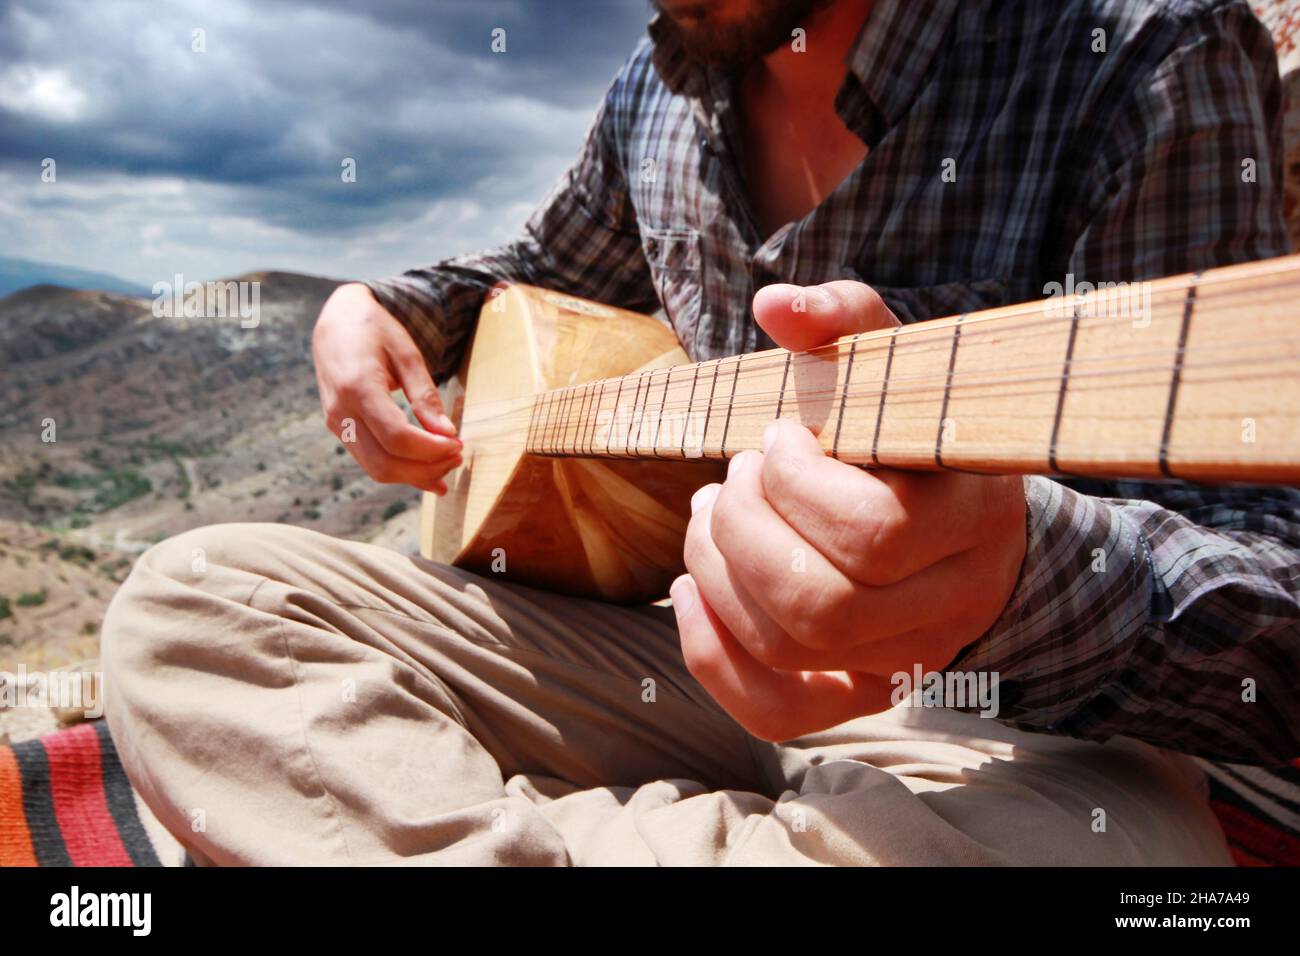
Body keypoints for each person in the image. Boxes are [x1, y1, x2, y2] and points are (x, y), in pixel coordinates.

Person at [102, 0, 1299, 864]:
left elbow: (1270, 622)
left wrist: (1009, 579)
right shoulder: (661, 84)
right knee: (193, 601)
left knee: (1123, 859)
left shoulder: (1138, 46)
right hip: (662, 654)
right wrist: (389, 306)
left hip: (986, 720)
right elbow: (535, 268)